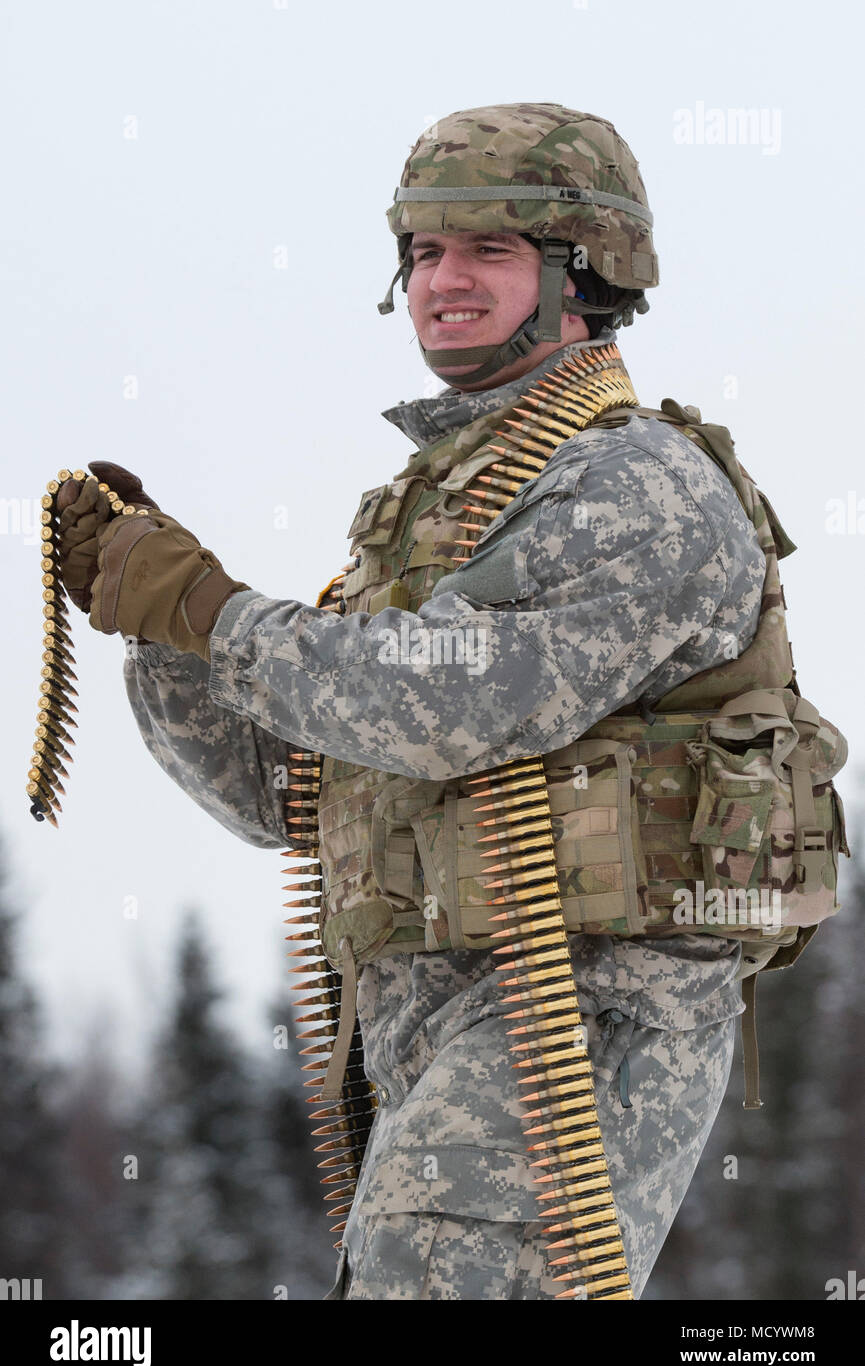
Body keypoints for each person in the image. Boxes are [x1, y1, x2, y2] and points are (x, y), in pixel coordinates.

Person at [56, 103, 785, 1300]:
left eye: (489, 251)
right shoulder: (427, 507)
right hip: (432, 1026)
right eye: (423, 252)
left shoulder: (639, 481)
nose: (442, 281)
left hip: (579, 1015)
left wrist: (217, 615)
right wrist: (158, 629)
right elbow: (286, 791)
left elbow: (461, 704)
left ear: (585, 271)